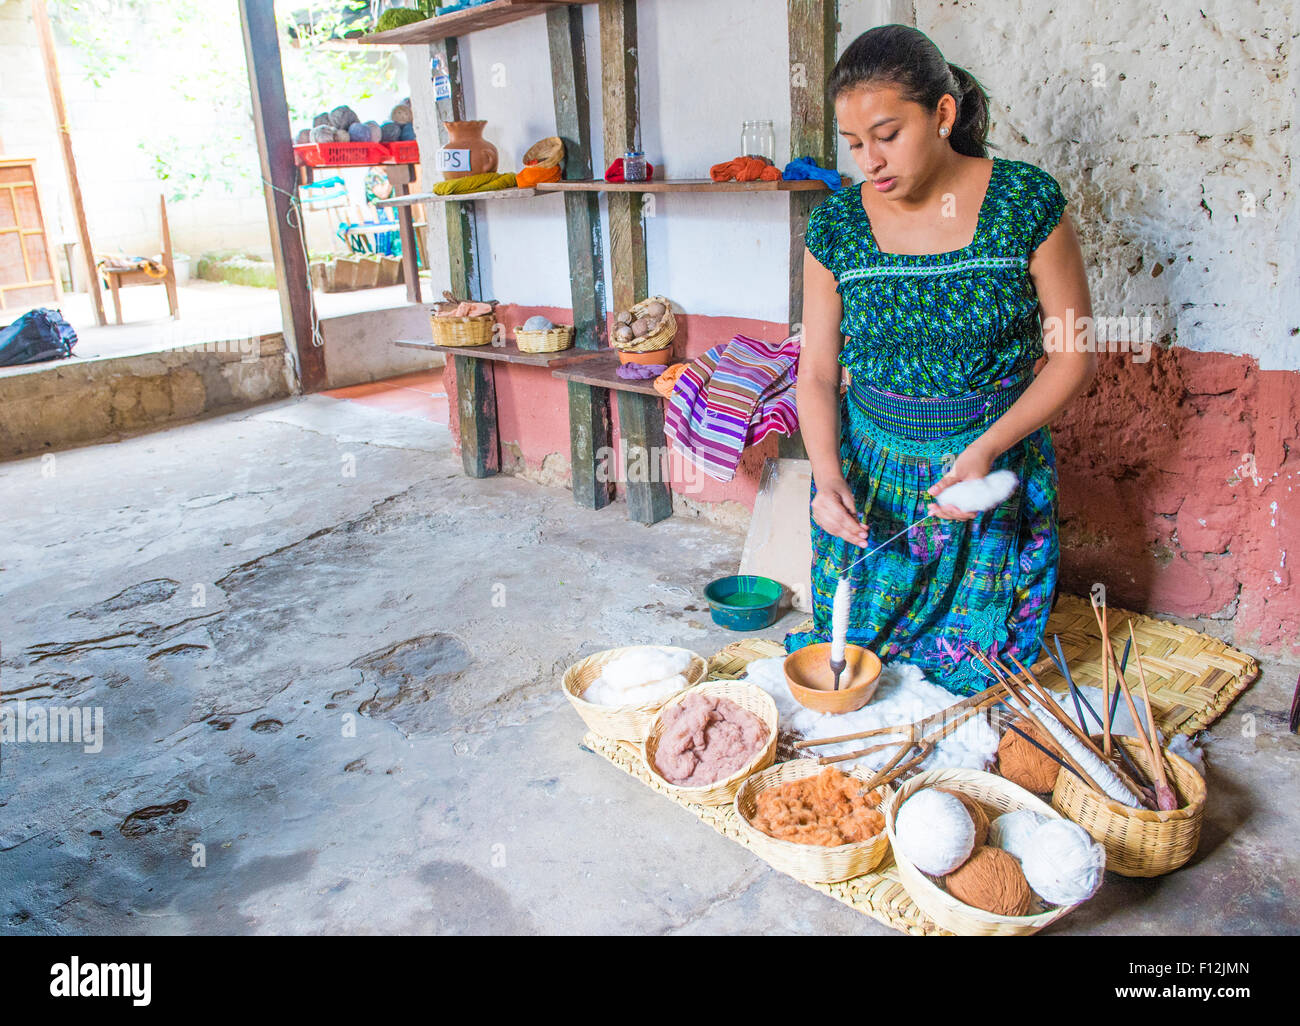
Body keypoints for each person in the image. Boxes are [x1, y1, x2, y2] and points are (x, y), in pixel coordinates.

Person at [786, 25, 1096, 695]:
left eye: (888, 134)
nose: (869, 159)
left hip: (988, 470)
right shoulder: (836, 229)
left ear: (944, 115)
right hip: (870, 477)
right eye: (855, 143)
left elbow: (1073, 358)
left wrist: (984, 452)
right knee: (852, 668)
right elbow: (814, 371)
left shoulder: (1025, 205)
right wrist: (827, 476)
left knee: (981, 679)